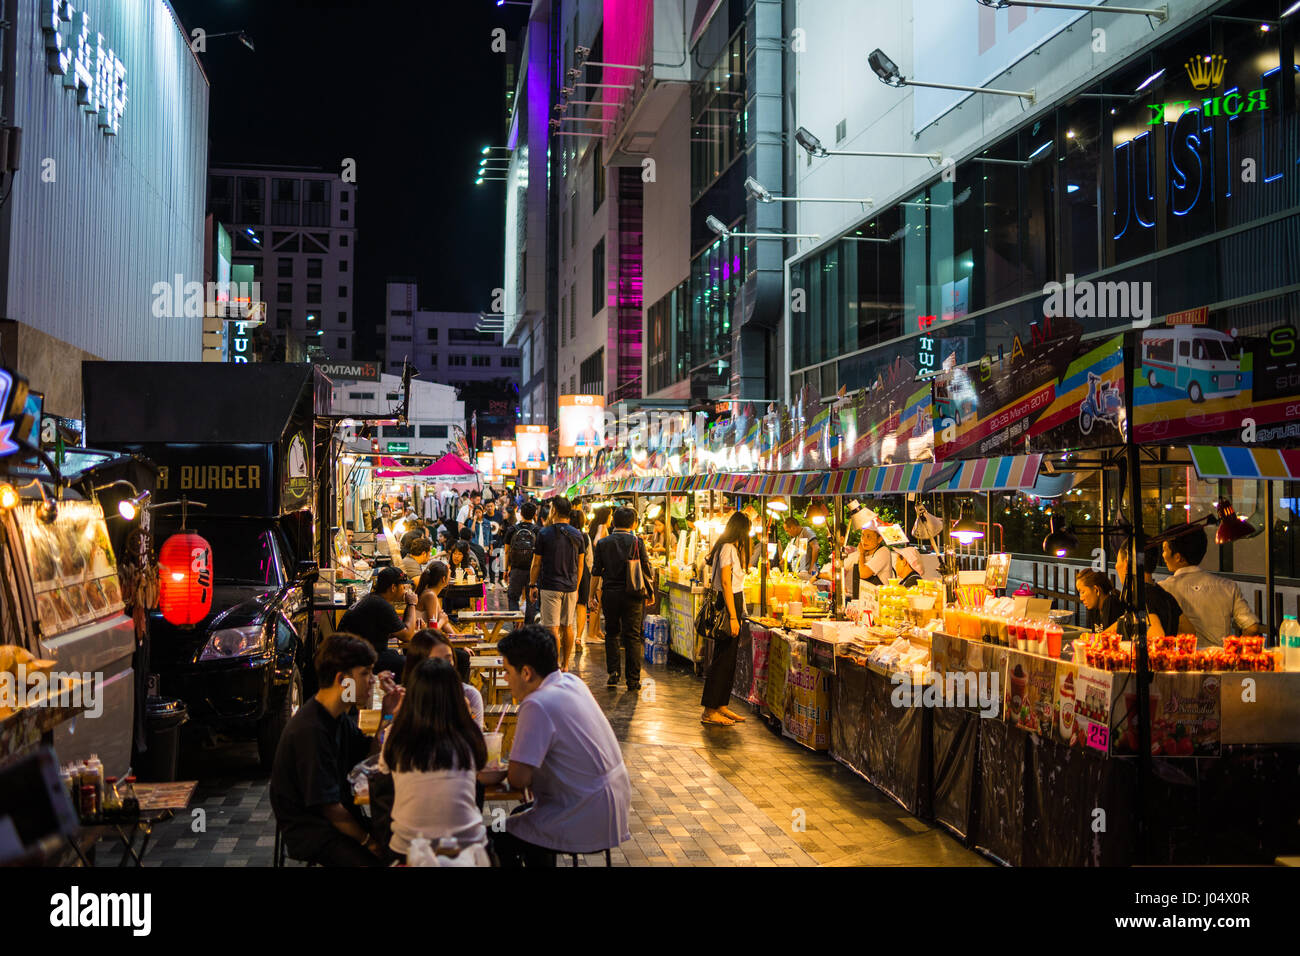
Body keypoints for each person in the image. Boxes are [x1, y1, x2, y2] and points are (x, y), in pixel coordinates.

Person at [492, 626, 631, 867]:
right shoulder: (570, 682)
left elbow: (518, 779)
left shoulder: (537, 703)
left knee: (494, 837)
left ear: (526, 672)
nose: (505, 679)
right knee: (519, 819)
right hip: (612, 802)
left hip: (585, 811)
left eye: (506, 672)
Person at [270, 634, 401, 867]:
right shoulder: (311, 729)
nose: (372, 681)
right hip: (316, 831)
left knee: (401, 842)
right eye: (365, 673)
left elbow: (369, 756)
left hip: (338, 820)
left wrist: (388, 716)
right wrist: (369, 842)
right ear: (343, 680)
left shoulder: (338, 716)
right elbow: (329, 808)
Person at [379, 657, 490, 861]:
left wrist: (390, 716)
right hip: (468, 849)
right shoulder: (469, 737)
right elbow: (482, 768)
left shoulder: (397, 736)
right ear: (457, 696)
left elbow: (382, 769)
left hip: (407, 849)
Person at [1161, 529, 1261, 647]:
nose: (1163, 555)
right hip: (1219, 661)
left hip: (1183, 661)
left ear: (1178, 557)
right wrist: (1232, 652)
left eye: (1164, 550)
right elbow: (1253, 628)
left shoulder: (1163, 589)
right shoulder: (1229, 587)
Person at [592, 507, 655, 690]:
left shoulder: (603, 543)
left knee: (611, 632)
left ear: (613, 522)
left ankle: (613, 673)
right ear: (634, 523)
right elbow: (646, 568)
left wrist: (591, 596)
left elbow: (596, 572)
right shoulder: (637, 542)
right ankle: (633, 680)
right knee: (633, 636)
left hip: (610, 593)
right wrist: (650, 594)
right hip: (633, 594)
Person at [701, 511, 752, 727]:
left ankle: (721, 704)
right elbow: (726, 583)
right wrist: (733, 615)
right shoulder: (728, 548)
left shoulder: (730, 547)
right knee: (722, 659)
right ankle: (709, 710)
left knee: (729, 658)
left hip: (734, 602)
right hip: (728, 603)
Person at [529, 496, 586, 672]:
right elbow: (581, 564)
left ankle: (553, 666)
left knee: (552, 627)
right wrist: (575, 587)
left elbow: (536, 563)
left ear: (554, 511)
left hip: (550, 585)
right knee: (567, 626)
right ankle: (566, 665)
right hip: (570, 586)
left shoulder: (544, 533)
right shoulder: (578, 534)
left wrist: (532, 584)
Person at [337, 566, 420, 675]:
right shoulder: (381, 605)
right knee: (406, 664)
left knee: (394, 655)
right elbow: (407, 636)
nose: (405, 590)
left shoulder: (373, 599)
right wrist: (412, 604)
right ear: (393, 587)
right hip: (355, 658)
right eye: (403, 586)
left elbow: (396, 630)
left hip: (353, 652)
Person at [399, 630, 485, 730]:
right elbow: (386, 737)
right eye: (436, 662)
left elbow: (476, 744)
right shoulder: (403, 697)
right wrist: (388, 715)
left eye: (448, 660)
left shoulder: (468, 695)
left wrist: (466, 717)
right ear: (417, 666)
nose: (444, 666)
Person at [1109, 543, 1186, 640]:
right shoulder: (1166, 595)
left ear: (1127, 564)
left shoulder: (1139, 596)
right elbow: (1188, 630)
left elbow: (1157, 635)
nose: (1116, 566)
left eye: (1117, 561)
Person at [504, 500, 540, 616]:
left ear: (521, 514)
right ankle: (528, 627)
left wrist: (506, 569)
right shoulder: (537, 531)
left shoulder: (512, 529)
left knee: (513, 597)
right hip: (532, 570)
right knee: (532, 599)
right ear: (535, 514)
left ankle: (515, 624)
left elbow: (506, 551)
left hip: (516, 569)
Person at [586, 507, 612, 644]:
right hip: (600, 568)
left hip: (596, 566)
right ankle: (591, 634)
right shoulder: (602, 526)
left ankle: (596, 632)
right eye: (610, 515)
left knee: (598, 600)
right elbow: (597, 542)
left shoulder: (595, 525)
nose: (611, 518)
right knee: (597, 601)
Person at [570, 506, 592, 651]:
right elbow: (589, 559)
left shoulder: (566, 535)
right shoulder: (585, 536)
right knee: (582, 606)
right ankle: (578, 638)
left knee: (567, 607)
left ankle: (563, 636)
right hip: (583, 573)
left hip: (568, 572)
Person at [413, 561, 456, 637]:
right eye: (449, 576)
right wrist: (442, 621)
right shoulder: (430, 595)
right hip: (421, 643)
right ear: (443, 579)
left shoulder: (431, 594)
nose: (450, 579)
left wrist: (460, 643)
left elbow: (445, 623)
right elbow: (432, 631)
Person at [850, 527, 893, 596]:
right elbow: (846, 563)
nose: (864, 540)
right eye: (862, 535)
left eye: (868, 536)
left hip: (881, 600)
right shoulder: (865, 552)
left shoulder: (883, 551)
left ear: (879, 539)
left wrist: (861, 554)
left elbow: (863, 573)